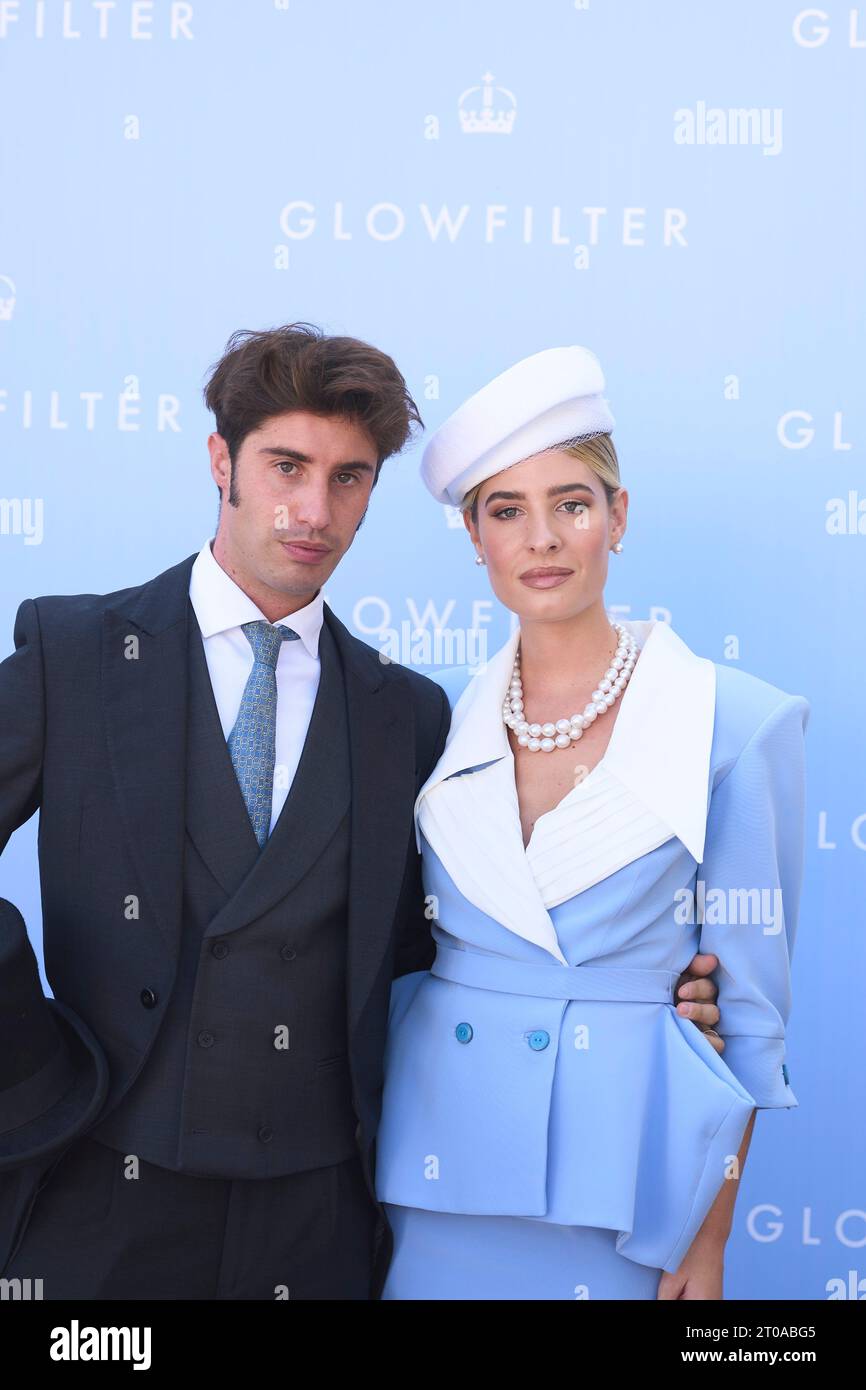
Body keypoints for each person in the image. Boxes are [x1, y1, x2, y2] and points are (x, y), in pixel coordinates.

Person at [0, 325, 723, 1301]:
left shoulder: (406, 712)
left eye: (349, 477)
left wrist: (653, 997)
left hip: (320, 1219)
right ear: (222, 461)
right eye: (286, 466)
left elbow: (450, 950)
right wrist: (33, 1071)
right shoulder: (76, 651)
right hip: (100, 1194)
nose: (313, 509)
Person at [375, 345, 810, 1301]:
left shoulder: (735, 724)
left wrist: (708, 1239)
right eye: (506, 511)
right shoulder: (433, 724)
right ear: (476, 537)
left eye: (571, 503)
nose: (543, 539)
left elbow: (746, 1015)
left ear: (619, 517)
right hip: (436, 1167)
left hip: (628, 1183)